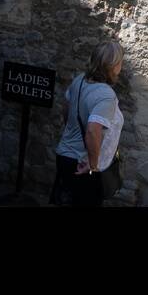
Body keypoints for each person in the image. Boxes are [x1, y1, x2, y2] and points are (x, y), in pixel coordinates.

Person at [51, 39, 124, 207]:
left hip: (65, 156)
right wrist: (93, 165)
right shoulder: (106, 95)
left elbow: (66, 110)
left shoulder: (80, 80)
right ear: (113, 66)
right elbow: (93, 130)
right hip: (82, 163)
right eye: (120, 62)